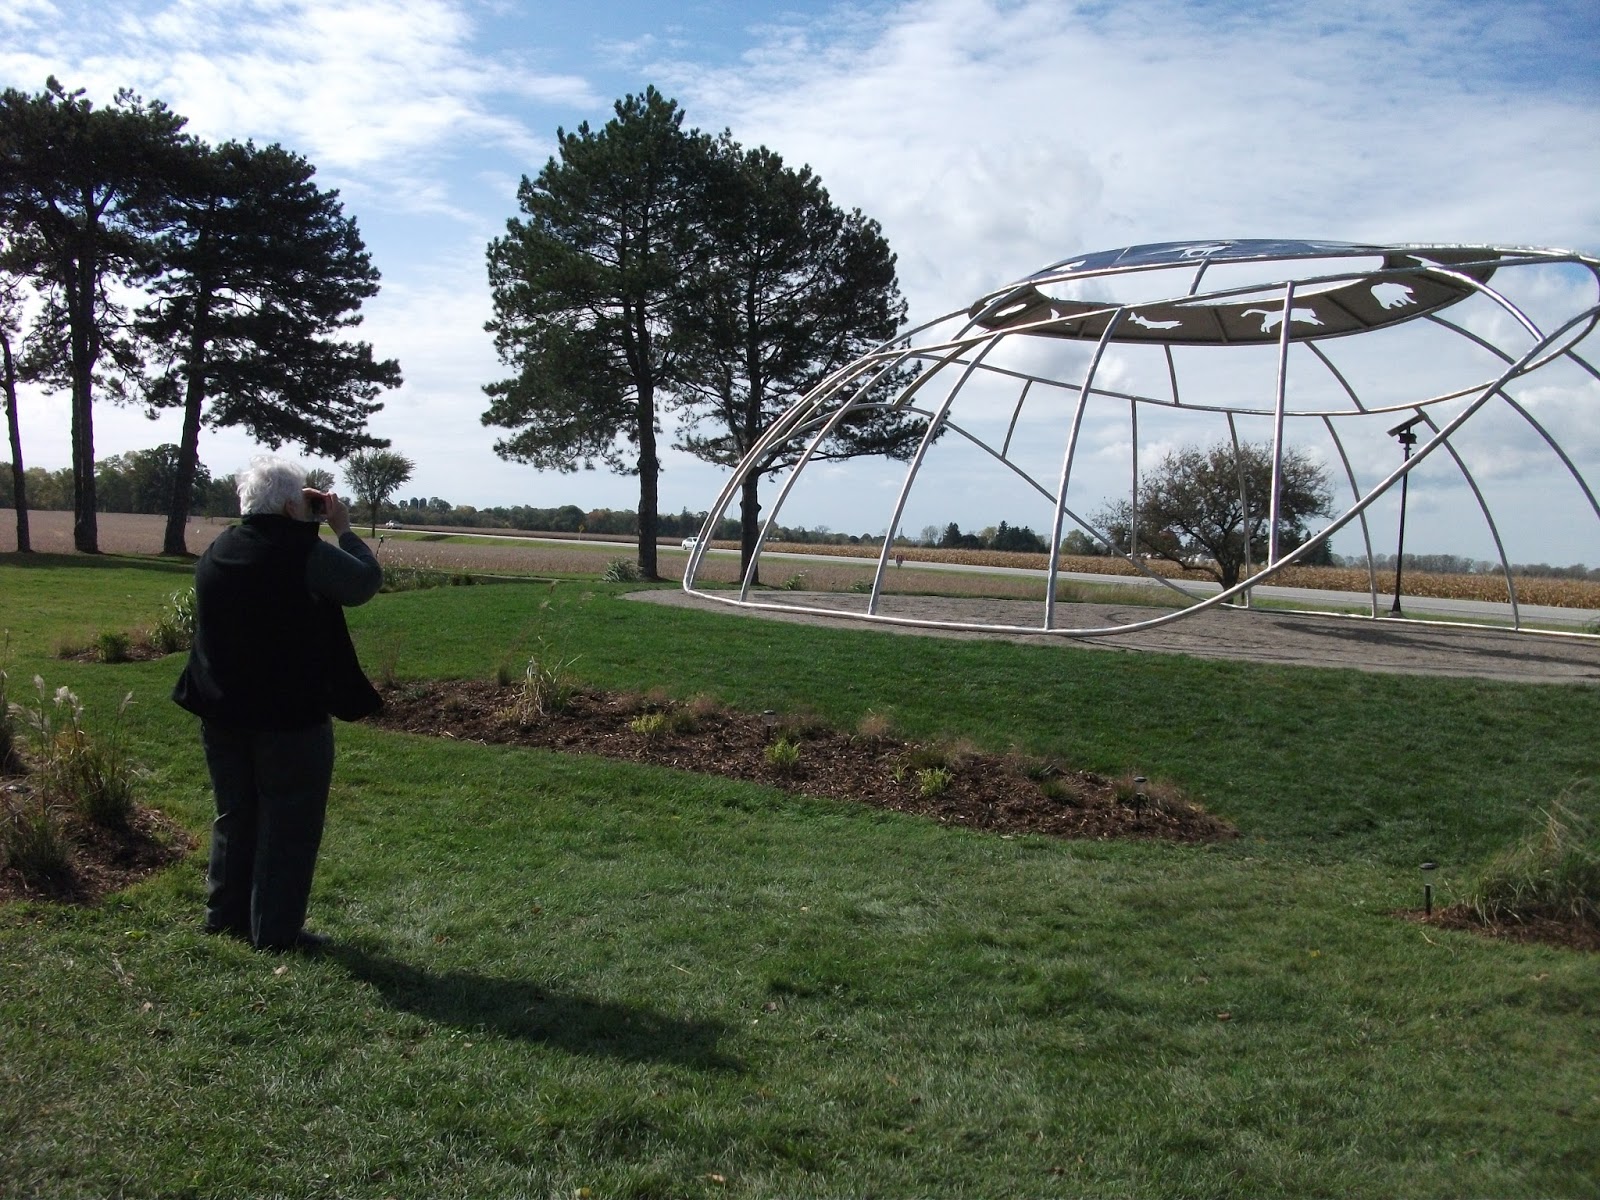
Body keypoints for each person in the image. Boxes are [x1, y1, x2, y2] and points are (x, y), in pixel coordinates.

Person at [173, 455, 383, 952]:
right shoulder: (302, 551)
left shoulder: (222, 547)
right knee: (289, 822)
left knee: (235, 814)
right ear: (292, 506)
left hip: (220, 707)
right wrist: (342, 527)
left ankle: (224, 916)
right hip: (289, 716)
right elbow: (363, 583)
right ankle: (275, 931)